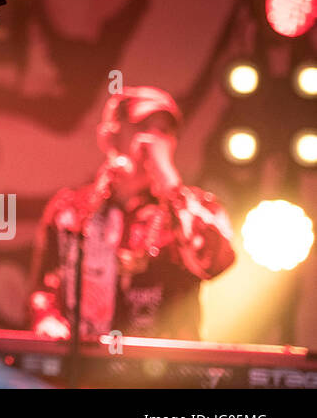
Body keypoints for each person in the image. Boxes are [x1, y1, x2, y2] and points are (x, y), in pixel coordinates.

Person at [27, 85, 236, 342]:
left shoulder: (195, 207)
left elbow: (216, 263)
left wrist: (171, 185)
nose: (151, 140)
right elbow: (44, 288)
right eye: (142, 128)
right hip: (82, 368)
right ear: (110, 137)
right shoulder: (71, 210)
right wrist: (46, 319)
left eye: (164, 132)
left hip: (164, 371)